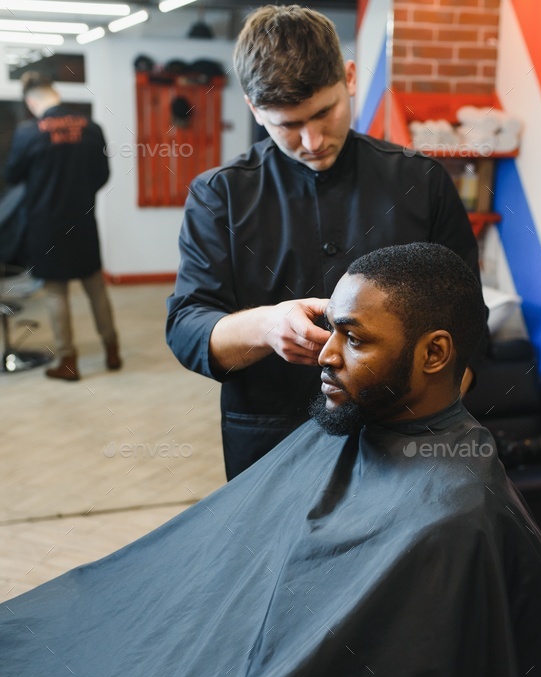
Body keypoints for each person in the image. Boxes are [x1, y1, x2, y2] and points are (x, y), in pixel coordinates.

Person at [2, 244, 541, 677]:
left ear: (435, 353)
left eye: (353, 338)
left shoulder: (452, 520)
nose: (325, 355)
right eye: (330, 328)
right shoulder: (353, 429)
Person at [166, 3, 483, 480]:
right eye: (287, 125)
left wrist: (437, 417)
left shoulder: (423, 182)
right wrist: (268, 327)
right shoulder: (219, 196)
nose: (312, 141)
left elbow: (468, 320)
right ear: (254, 108)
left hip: (406, 443)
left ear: (350, 78)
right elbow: (188, 328)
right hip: (270, 443)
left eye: (324, 113)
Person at [4, 73, 121, 381]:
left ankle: (68, 361)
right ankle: (112, 350)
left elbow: (13, 175)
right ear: (54, 93)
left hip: (47, 226)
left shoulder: (29, 132)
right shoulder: (92, 128)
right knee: (95, 287)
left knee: (56, 293)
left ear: (32, 102)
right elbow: (102, 175)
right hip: (83, 221)